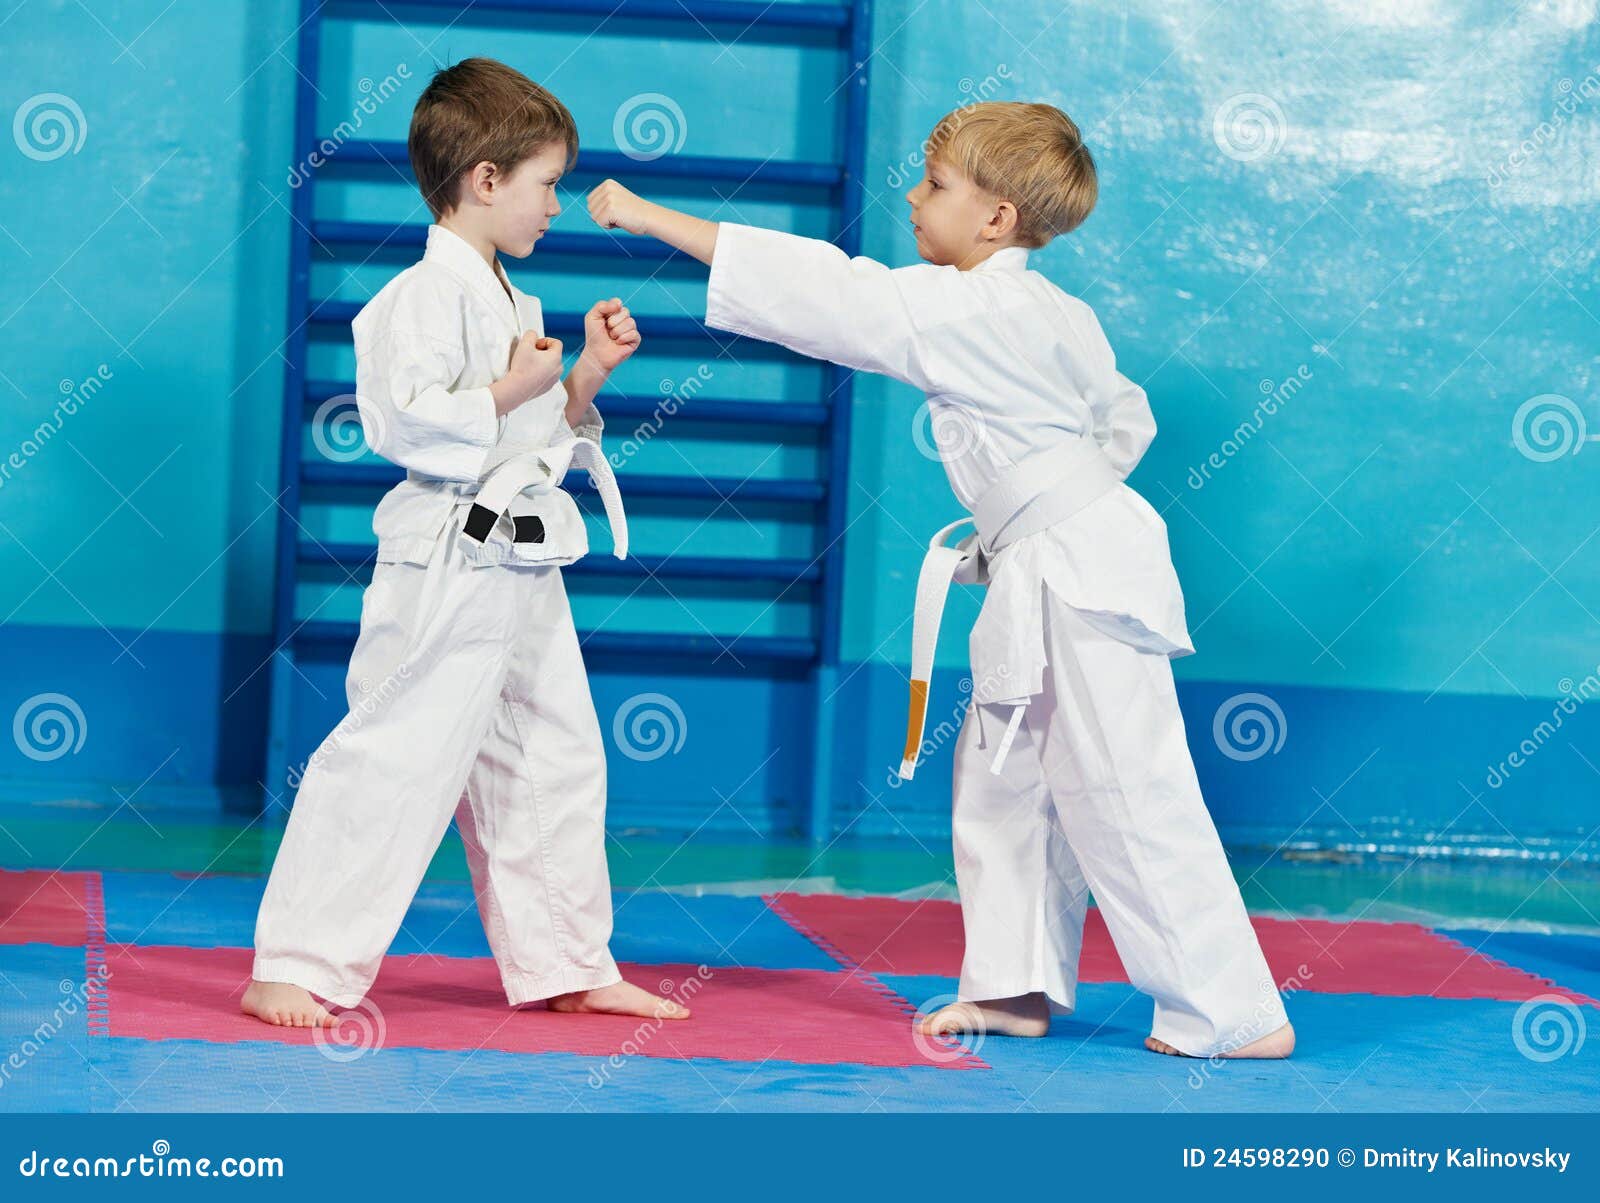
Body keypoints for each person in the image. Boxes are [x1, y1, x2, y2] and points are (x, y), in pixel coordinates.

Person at [586, 101, 1291, 1058]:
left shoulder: (962, 306)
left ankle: (1233, 1010)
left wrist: (651, 215)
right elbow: (1126, 421)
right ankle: (1014, 986)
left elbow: (826, 292)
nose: (914, 198)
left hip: (1076, 577)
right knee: (1004, 776)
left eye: (937, 185)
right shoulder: (1053, 307)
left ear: (996, 218)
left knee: (1128, 785)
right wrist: (1032, 511)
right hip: (1055, 563)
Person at [244, 58, 687, 1028]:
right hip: (447, 554)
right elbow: (404, 424)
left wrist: (585, 381)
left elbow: (530, 440)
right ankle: (295, 959)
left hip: (521, 552)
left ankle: (567, 960)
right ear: (486, 181)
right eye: (547, 185)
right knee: (396, 752)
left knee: (553, 756)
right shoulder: (415, 296)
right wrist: (515, 392)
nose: (557, 208)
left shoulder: (509, 302)